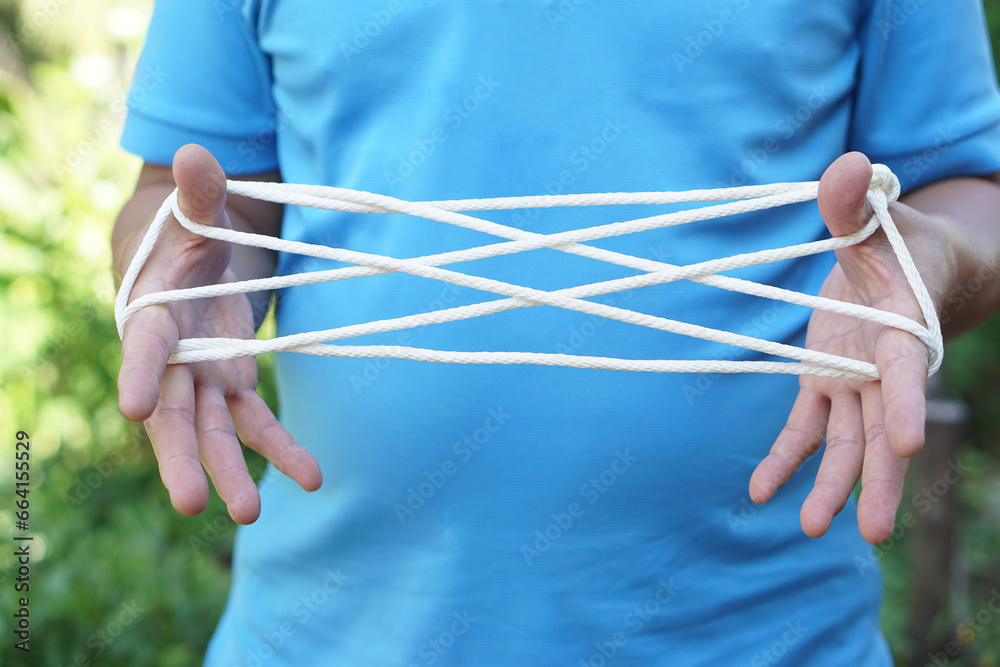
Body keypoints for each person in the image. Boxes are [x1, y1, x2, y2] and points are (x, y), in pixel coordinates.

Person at [112, 1, 1000, 664]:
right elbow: (188, 194)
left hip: (769, 639)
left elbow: (965, 197)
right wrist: (184, 276)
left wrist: (927, 270)